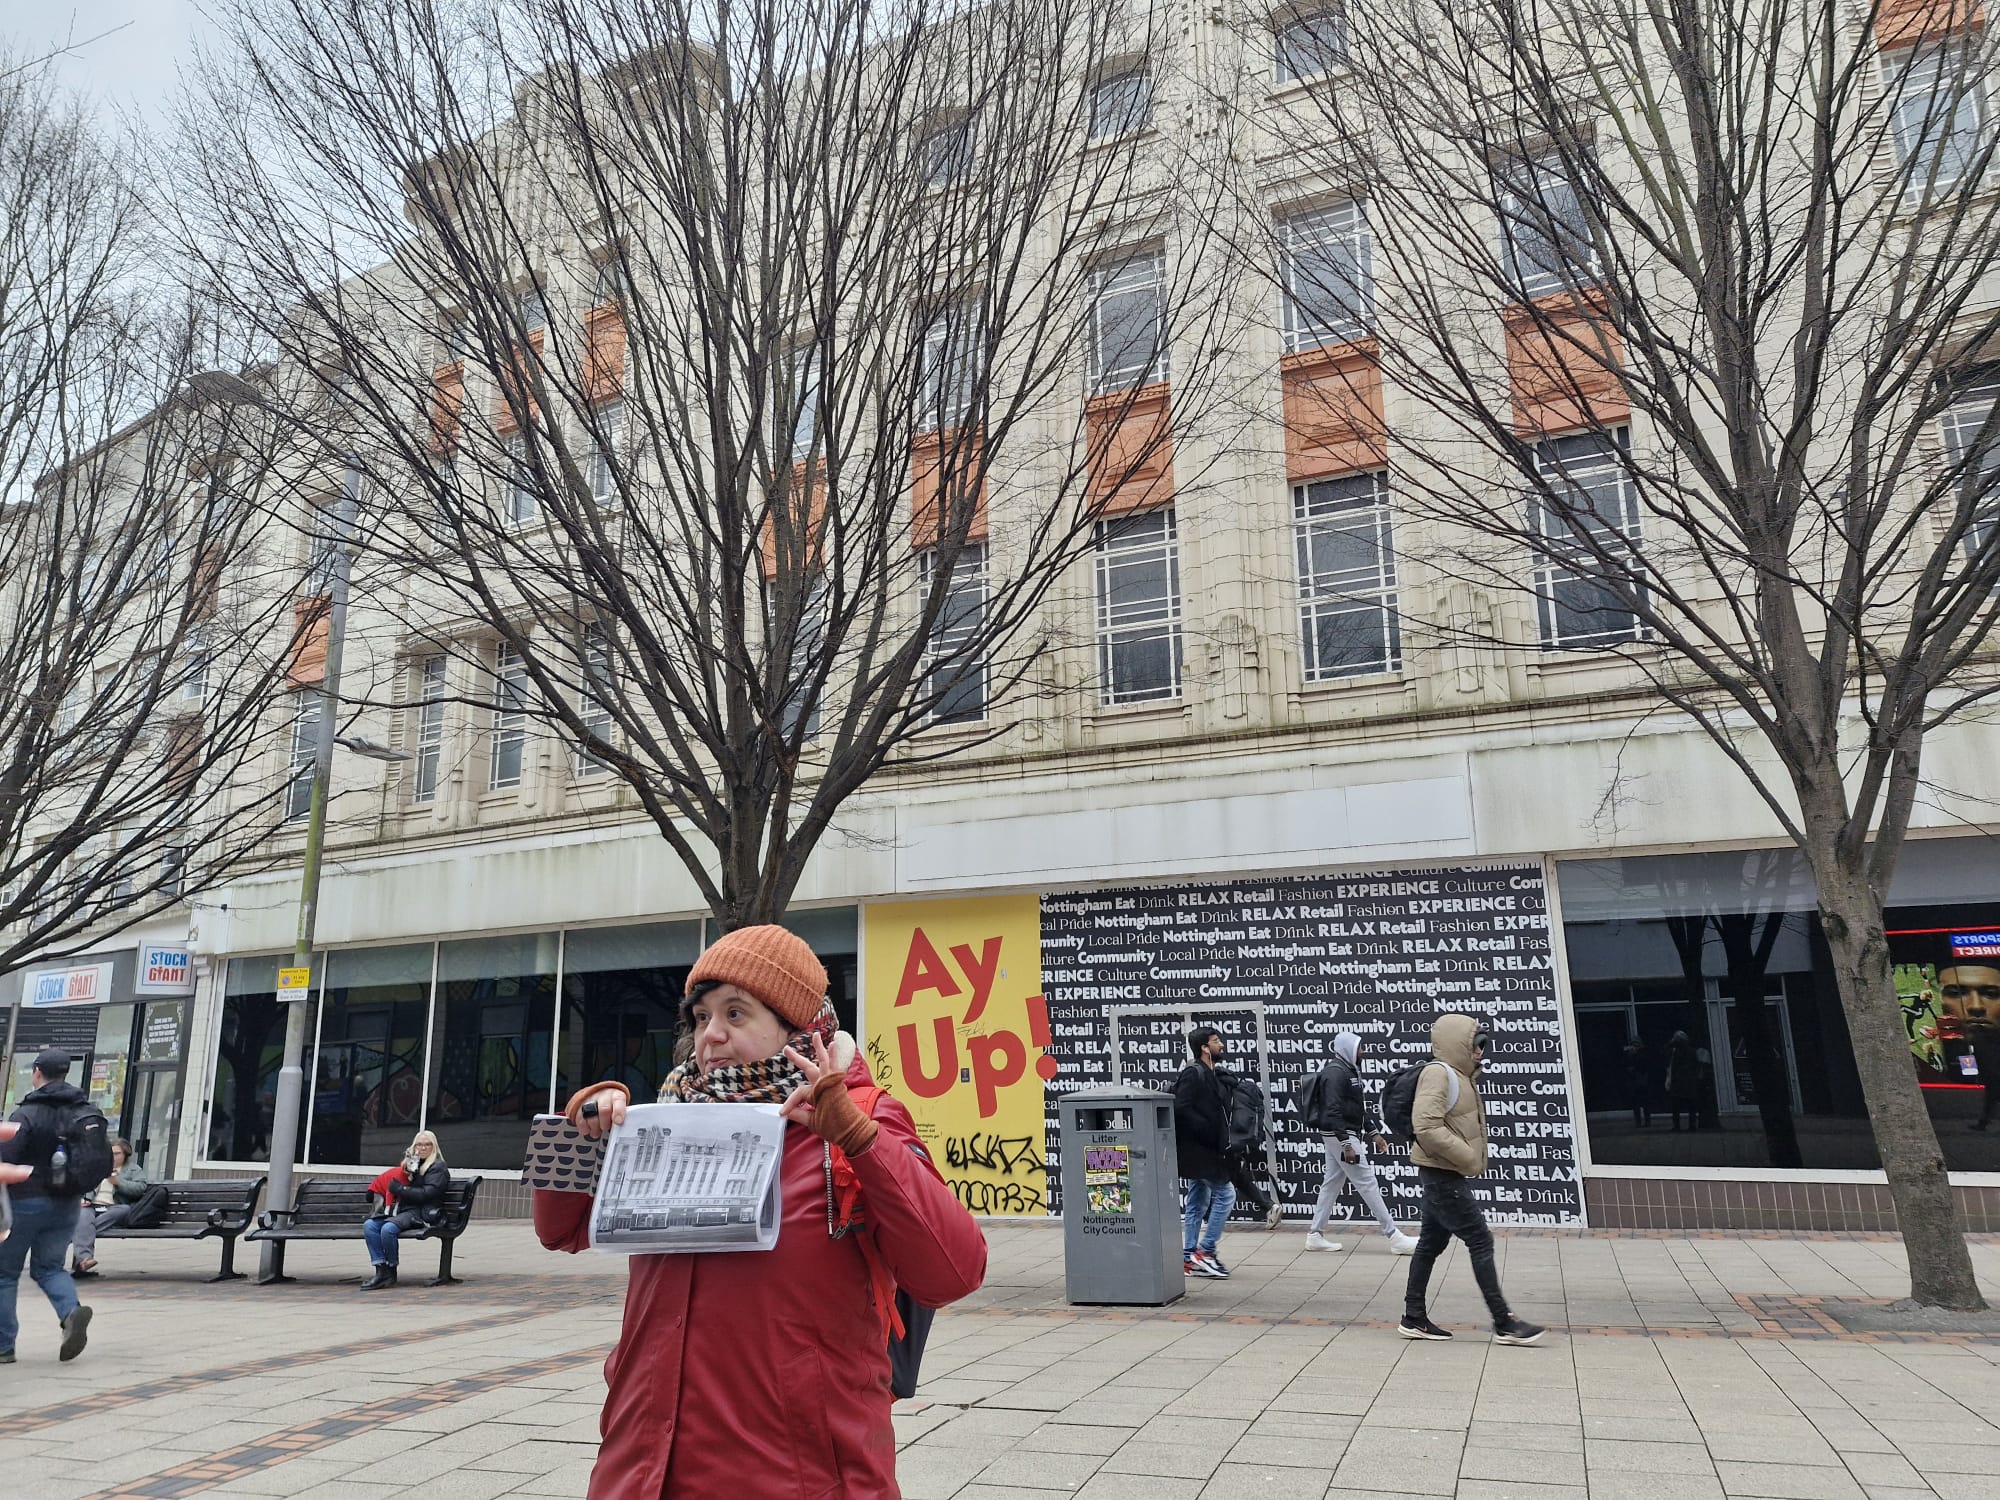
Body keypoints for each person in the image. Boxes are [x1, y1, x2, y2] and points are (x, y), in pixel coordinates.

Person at [540, 924, 987, 1499]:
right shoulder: (669, 1119)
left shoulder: (858, 1119)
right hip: (644, 1467)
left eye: (736, 1014)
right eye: (701, 1018)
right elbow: (560, 1231)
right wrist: (582, 1134)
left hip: (795, 1475)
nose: (712, 1036)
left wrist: (861, 1141)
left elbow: (954, 1271)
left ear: (797, 1030)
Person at [1398, 1015, 1544, 1347]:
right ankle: (1503, 1321)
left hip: (1443, 1172)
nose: (1481, 1052)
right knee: (1480, 1239)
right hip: (1442, 1173)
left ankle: (1413, 1317)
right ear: (1458, 1044)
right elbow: (1426, 1125)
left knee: (1430, 1245)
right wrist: (1467, 1156)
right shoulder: (1439, 1074)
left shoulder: (1462, 1076)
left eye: (1484, 1045)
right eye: (1476, 1045)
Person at [0, 1050, 95, 1363]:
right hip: (68, 1201)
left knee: (4, 1273)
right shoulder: (83, 1110)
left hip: (25, 1200)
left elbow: (7, 1158)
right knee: (50, 1267)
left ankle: (3, 1345)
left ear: (38, 1072)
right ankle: (70, 1312)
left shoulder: (26, 1114)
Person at [1297, 1032, 1417, 1255]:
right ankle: (1394, 1236)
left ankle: (1315, 1235)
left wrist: (1374, 1134)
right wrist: (1346, 1145)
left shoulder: (1348, 1070)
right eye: (1359, 1048)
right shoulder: (1334, 1073)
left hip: (1341, 1134)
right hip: (1341, 1136)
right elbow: (1332, 1110)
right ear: (1348, 1049)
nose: (1363, 1052)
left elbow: (1356, 1109)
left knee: (1331, 1184)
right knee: (1367, 1182)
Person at [1173, 1026, 1236, 1279]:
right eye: (1216, 1041)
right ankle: (1206, 1251)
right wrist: (1206, 1130)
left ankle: (1189, 1257)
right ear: (1203, 1047)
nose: (1221, 1044)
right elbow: (1180, 1108)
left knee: (1197, 1202)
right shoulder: (1193, 1072)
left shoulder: (1211, 1073)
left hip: (1205, 1149)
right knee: (1226, 1194)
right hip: (1199, 1150)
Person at [361, 1130, 448, 1290]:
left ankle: (391, 1269)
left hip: (421, 1213)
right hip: (403, 1210)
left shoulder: (437, 1167)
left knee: (388, 1229)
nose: (423, 1148)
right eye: (419, 1144)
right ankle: (381, 1270)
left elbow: (427, 1194)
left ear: (433, 1146)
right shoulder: (411, 1164)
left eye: (427, 1144)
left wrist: (400, 1189)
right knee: (370, 1226)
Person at [71, 1138, 153, 1276]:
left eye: (117, 1153)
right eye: (110, 1153)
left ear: (125, 1154)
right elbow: (83, 1185)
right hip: (93, 1206)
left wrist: (118, 1182)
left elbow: (140, 1188)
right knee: (82, 1214)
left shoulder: (133, 1170)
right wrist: (84, 1198)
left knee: (123, 1210)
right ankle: (85, 1258)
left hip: (115, 1207)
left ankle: (81, 1237)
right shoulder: (98, 1168)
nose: (113, 1157)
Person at [1939, 964, 2000, 1129]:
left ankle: (1983, 1122)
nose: (1976, 1006)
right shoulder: (1968, 1041)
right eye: (1957, 993)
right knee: (1991, 1098)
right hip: (1991, 1077)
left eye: (1991, 994)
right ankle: (1983, 1122)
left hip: (1992, 1076)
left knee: (1991, 1098)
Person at [1665, 1029, 1703, 1131]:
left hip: (1679, 1082)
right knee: (1691, 1106)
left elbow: (1672, 1063)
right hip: (1689, 1082)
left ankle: (1677, 1126)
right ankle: (1692, 1125)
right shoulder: (1692, 1051)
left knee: (1676, 1106)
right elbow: (1696, 1066)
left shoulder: (1676, 1052)